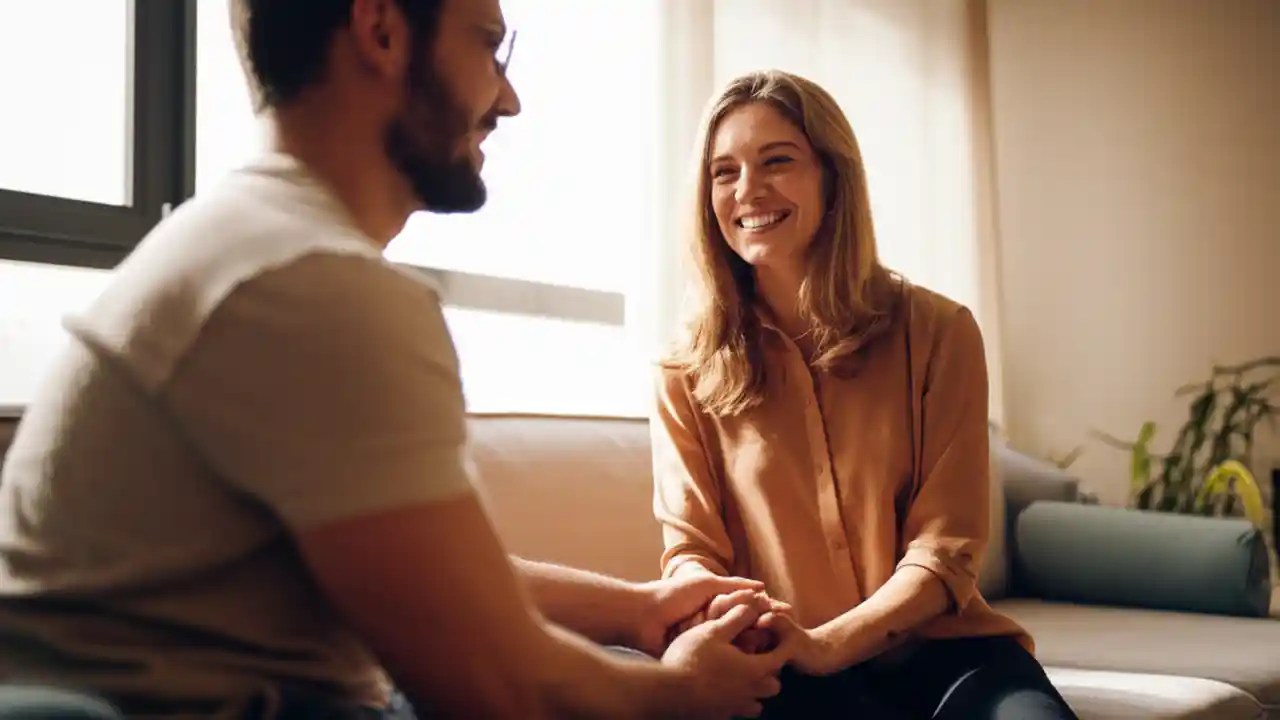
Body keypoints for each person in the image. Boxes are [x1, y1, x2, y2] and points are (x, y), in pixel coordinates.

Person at [0, 1, 790, 717]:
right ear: (381, 31)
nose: (507, 99)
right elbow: (499, 688)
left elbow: (426, 579)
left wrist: (639, 608)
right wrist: (685, 695)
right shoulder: (312, 283)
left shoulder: (254, 244)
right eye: (489, 46)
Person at [652, 69, 1080, 719]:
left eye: (778, 162)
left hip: (951, 659)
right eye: (724, 171)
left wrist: (828, 644)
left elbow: (946, 550)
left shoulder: (940, 332)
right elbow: (690, 553)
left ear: (833, 176)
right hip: (785, 674)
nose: (748, 191)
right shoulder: (684, 368)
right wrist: (730, 616)